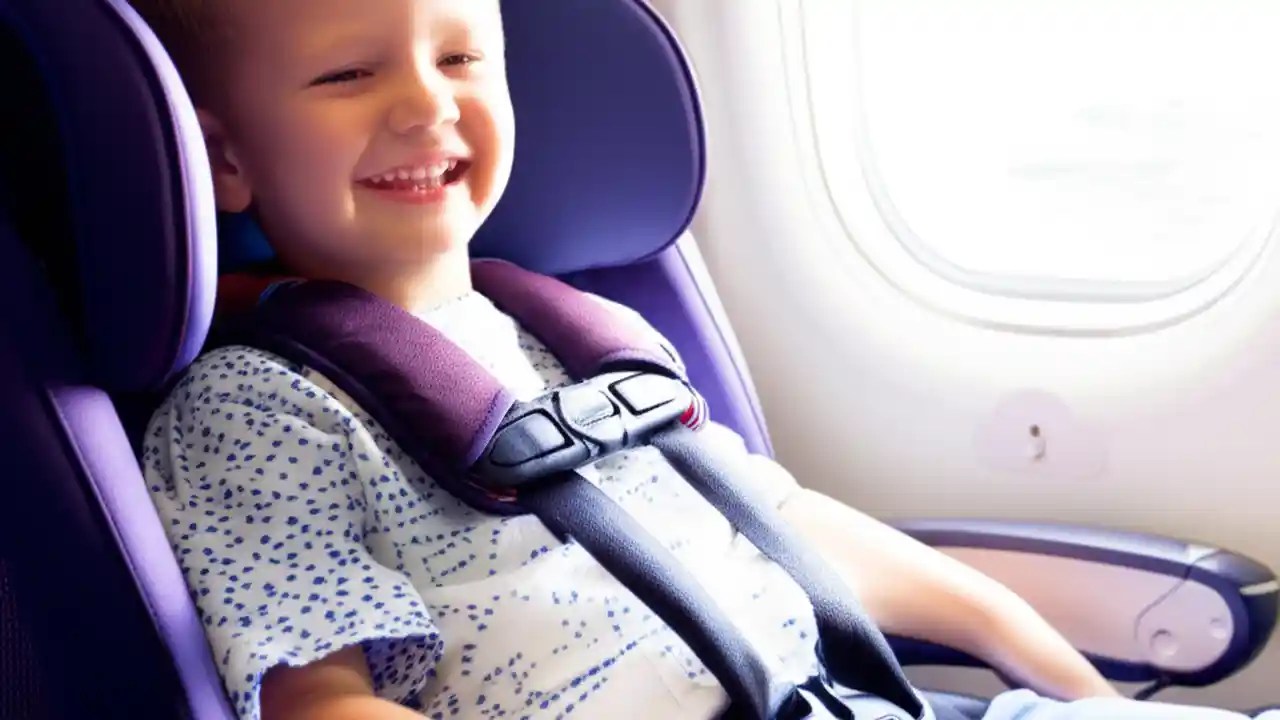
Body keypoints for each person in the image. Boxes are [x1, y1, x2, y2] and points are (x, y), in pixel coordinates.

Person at [129, 1, 1273, 718]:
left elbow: (784, 530)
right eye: (347, 75)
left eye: (462, 56)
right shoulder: (258, 410)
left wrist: (1066, 690)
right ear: (224, 157)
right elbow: (317, 698)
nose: (426, 105)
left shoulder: (576, 336)